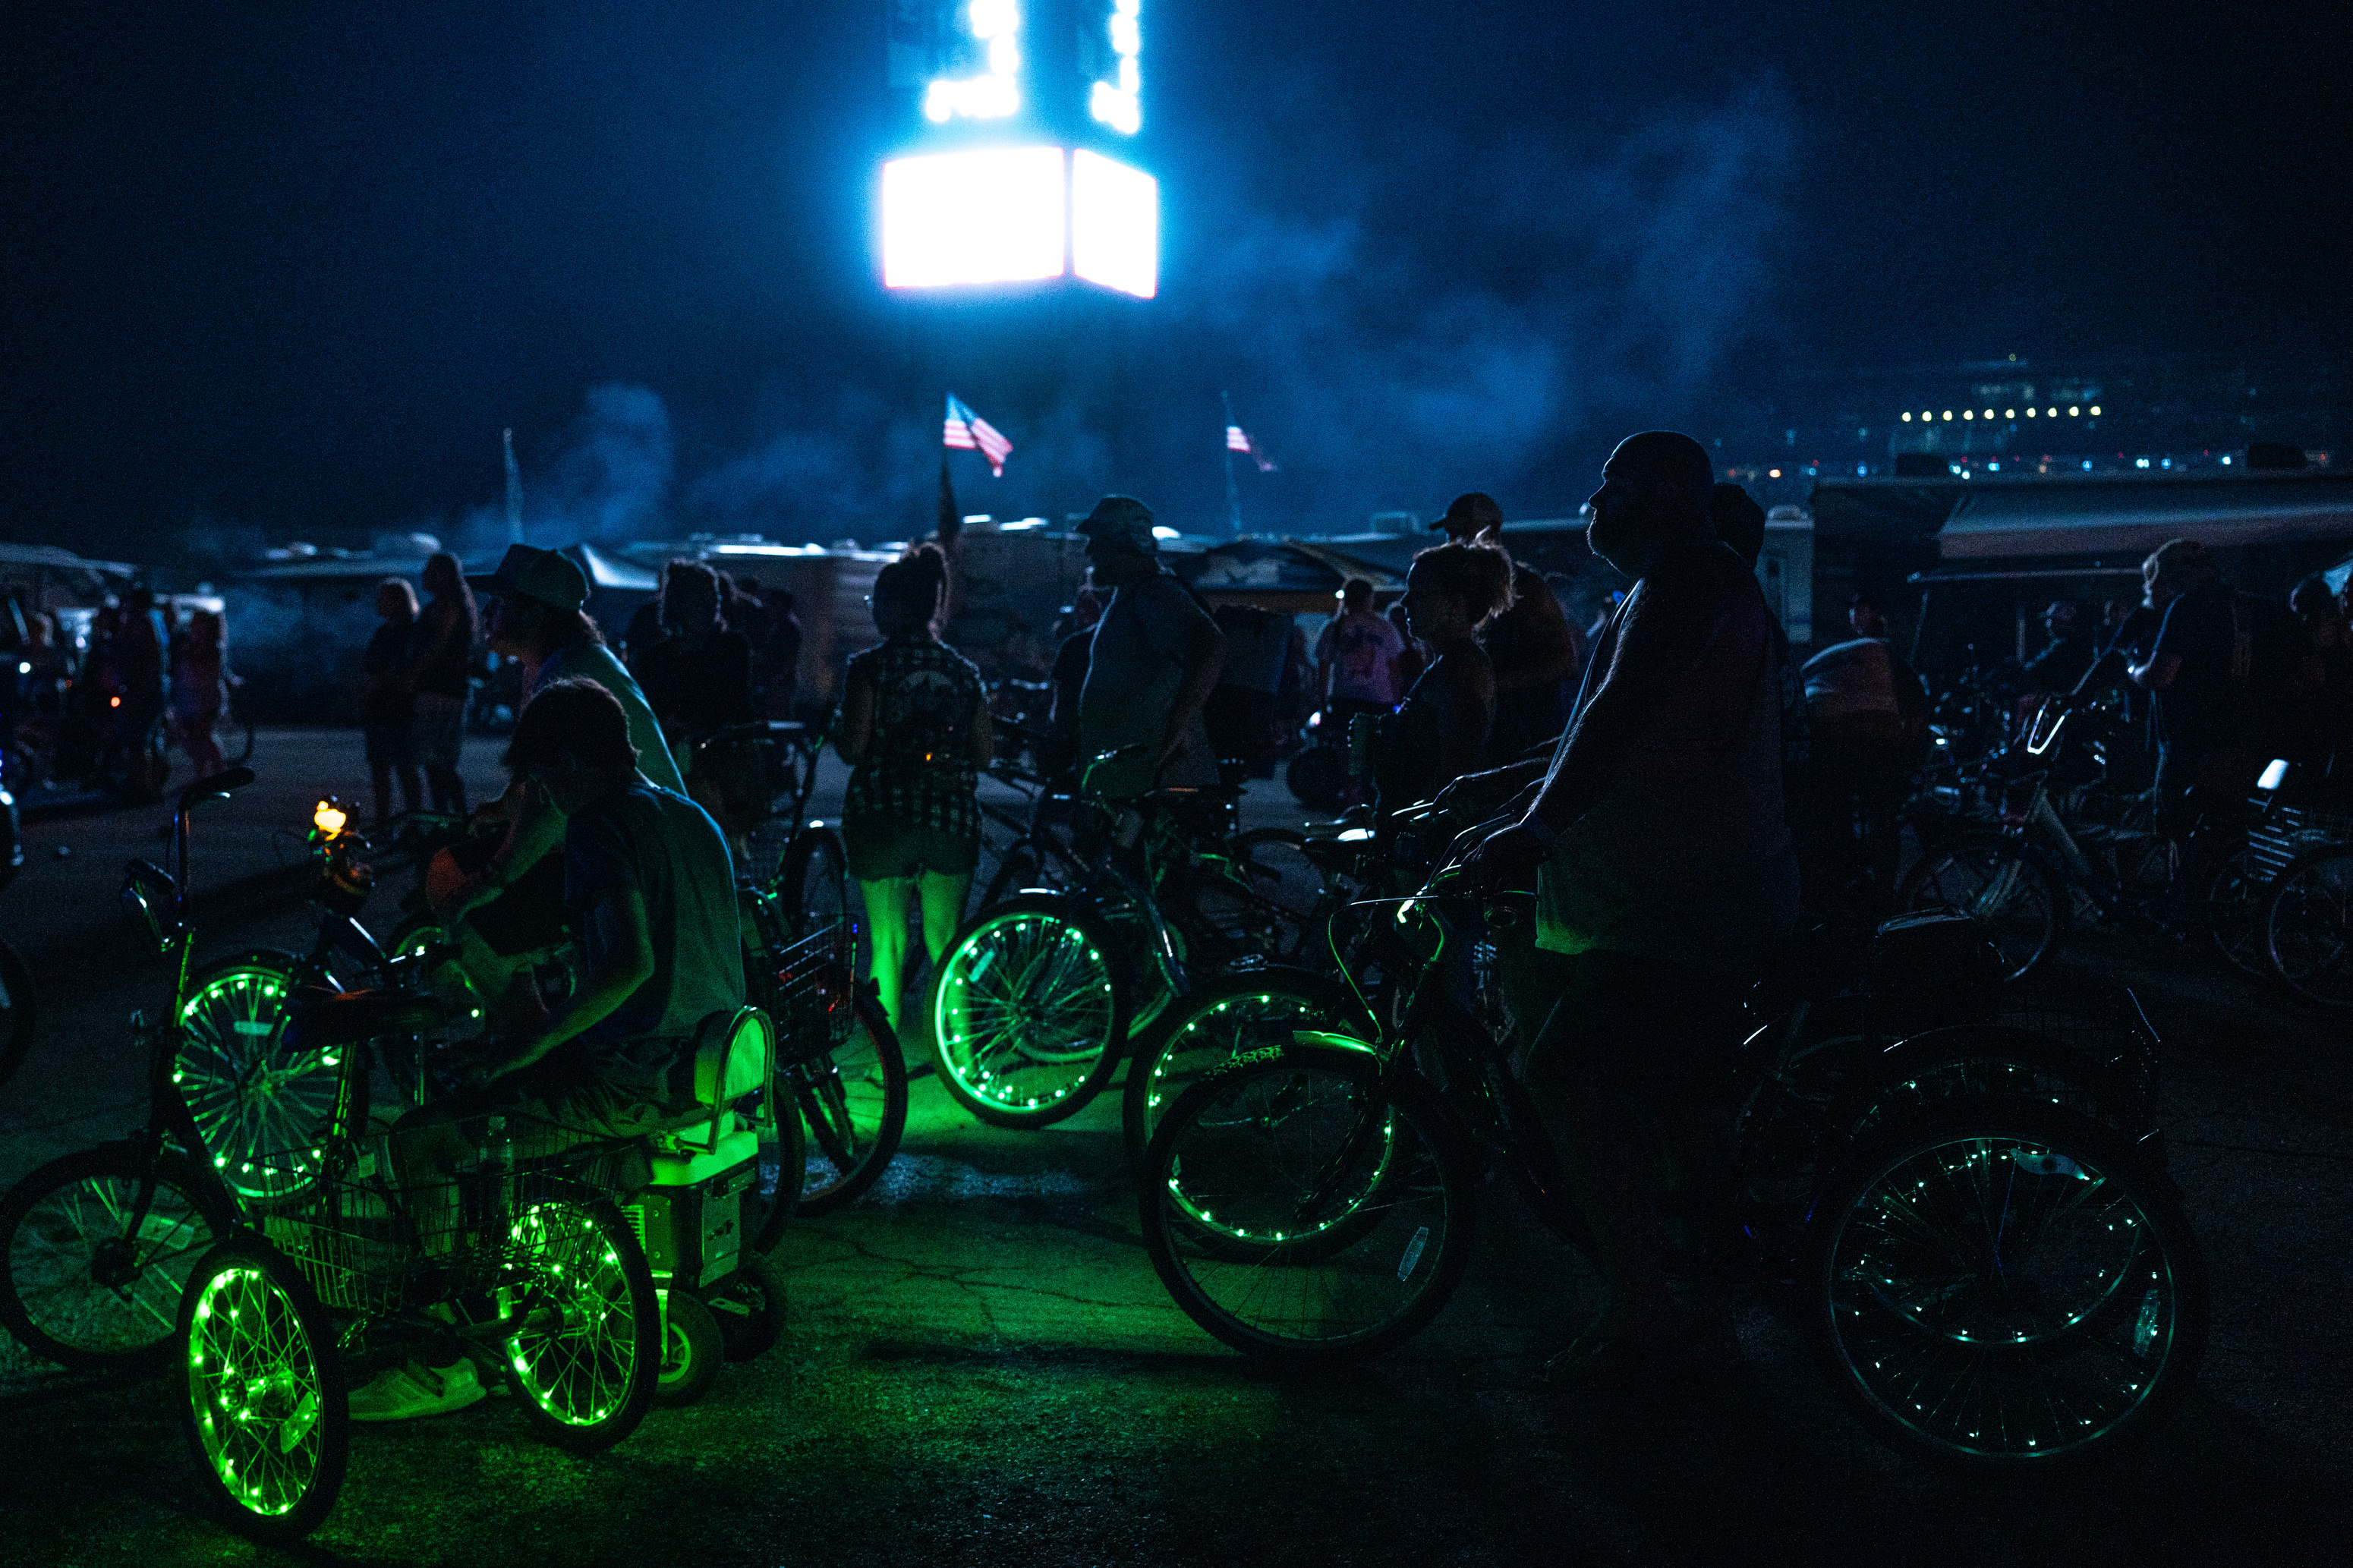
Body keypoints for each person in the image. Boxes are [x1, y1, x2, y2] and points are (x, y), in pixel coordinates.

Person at [1464, 430, 1798, 1389]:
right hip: (1685, 892)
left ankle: (1645, 1309)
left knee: (1565, 1071)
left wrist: (1533, 828)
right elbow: (1606, 729)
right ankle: (1705, 1314)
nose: (1592, 504)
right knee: (1682, 1106)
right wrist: (1498, 794)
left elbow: (1620, 717)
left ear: (1655, 495)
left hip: (1684, 902)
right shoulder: (1683, 584)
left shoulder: (1684, 582)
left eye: (1608, 486)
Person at [360, 678, 742, 1422]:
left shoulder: (600, 825)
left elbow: (629, 965)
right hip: (707, 1067)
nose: (541, 795)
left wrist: (523, 1047)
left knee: (424, 1138)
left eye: (540, 777)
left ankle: (451, 1351)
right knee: (501, 1086)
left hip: (634, 1079)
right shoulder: (693, 817)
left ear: (568, 762)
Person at [442, 547, 685, 1028]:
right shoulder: (569, 661)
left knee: (452, 889)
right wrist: (504, 806)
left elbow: (549, 803)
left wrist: (490, 878)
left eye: (501, 603)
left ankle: (526, 1040)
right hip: (641, 842)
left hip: (632, 859)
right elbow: (543, 778)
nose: (488, 613)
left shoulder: (565, 676)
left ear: (534, 615)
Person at [837, 546, 989, 1028]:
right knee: (948, 942)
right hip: (951, 821)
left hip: (884, 816)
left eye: (876, 601)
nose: (873, 611)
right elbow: (984, 754)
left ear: (894, 606)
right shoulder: (964, 673)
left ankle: (887, 1058)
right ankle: (962, 1052)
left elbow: (853, 747)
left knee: (888, 943)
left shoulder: (869, 668)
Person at [1073, 496, 1225, 800]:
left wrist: (1176, 727)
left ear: (1127, 544)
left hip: (1155, 782)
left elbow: (1211, 643)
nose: (1090, 551)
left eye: (1099, 542)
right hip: (1131, 776)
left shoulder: (1156, 593)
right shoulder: (1135, 593)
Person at [1797, 591, 1928, 912]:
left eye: (1859, 608)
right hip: (1865, 755)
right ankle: (1864, 888)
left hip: (1871, 756)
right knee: (1869, 820)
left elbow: (1914, 705)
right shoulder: (1857, 656)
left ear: (1873, 612)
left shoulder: (1879, 655)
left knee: (1874, 821)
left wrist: (1901, 743)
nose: (1853, 614)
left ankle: (1872, 893)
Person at [1433, 493, 1583, 762]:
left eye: (1462, 530)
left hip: (1523, 737)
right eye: (1449, 533)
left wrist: (1491, 683)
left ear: (1493, 530)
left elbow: (1565, 661)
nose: (1452, 541)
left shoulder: (1526, 587)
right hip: (1481, 738)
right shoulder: (1460, 589)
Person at [1367, 543, 1509, 814]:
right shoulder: (1449, 663)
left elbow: (1457, 769)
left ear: (1456, 605)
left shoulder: (1460, 668)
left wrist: (1413, 820)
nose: (1404, 602)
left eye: (1418, 593)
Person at [634, 560, 755, 746]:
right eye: (700, 599)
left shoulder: (733, 647)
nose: (711, 605)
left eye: (714, 596)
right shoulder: (653, 659)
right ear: (678, 604)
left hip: (723, 751)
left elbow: (737, 706)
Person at [408, 552, 479, 817]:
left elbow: (437, 646)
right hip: (446, 690)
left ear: (443, 576)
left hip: (441, 692)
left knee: (439, 761)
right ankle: (451, 819)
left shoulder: (447, 607)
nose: (424, 575)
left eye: (430, 571)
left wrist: (413, 674)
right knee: (439, 762)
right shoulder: (452, 604)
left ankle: (454, 820)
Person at [360, 578, 422, 827]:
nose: (379, 603)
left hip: (398, 707)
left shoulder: (409, 632)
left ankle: (413, 822)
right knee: (380, 768)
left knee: (405, 768)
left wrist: (380, 682)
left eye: (384, 598)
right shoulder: (384, 631)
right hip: (379, 707)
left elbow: (403, 669)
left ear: (399, 600)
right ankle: (384, 822)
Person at [1314, 578, 1407, 729]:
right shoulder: (1385, 627)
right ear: (1370, 598)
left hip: (1344, 700)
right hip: (1379, 701)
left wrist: (1323, 705)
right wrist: (1397, 702)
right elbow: (1395, 670)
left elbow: (1323, 671)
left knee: (1345, 740)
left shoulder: (1333, 627)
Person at [1043, 587, 1102, 778]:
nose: (1083, 612)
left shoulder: (1075, 644)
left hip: (1079, 733)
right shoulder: (1074, 644)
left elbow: (1060, 697)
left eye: (1089, 606)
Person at [169, 608, 228, 782]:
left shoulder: (212, 647)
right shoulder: (190, 644)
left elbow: (209, 673)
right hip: (189, 698)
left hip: (206, 698)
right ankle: (201, 775)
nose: (192, 625)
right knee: (193, 738)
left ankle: (220, 775)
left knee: (206, 735)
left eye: (196, 622)